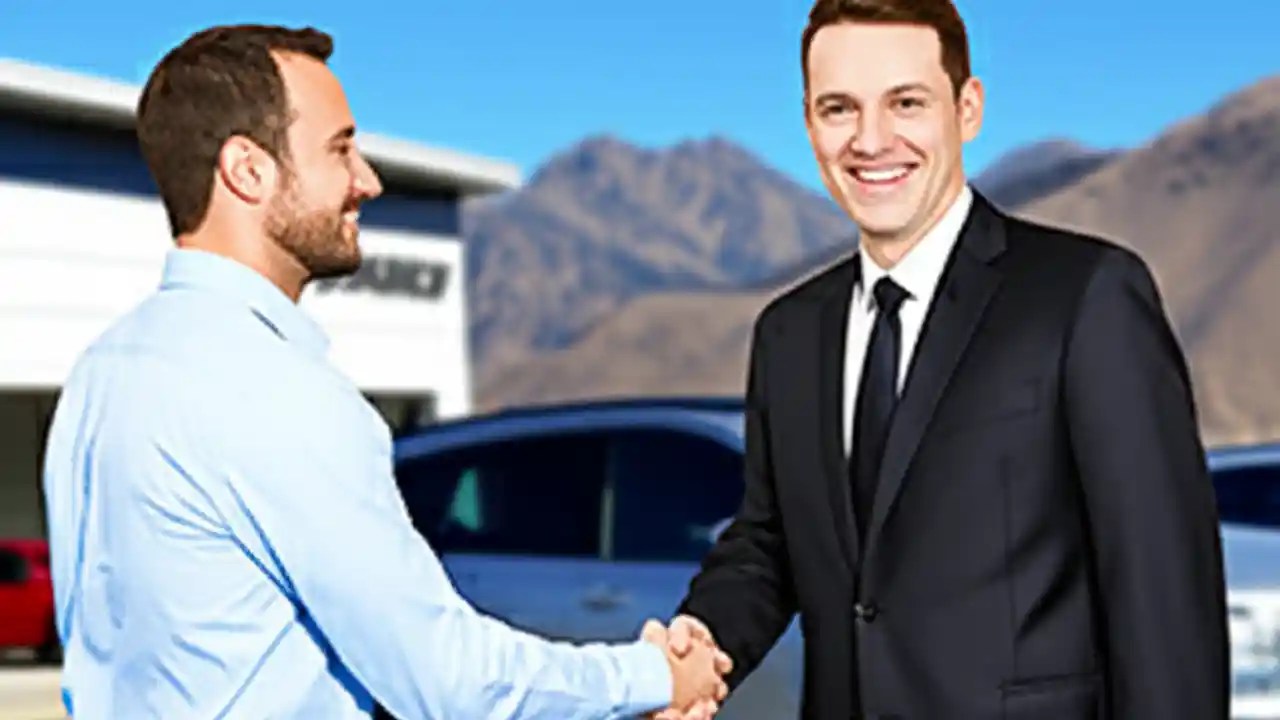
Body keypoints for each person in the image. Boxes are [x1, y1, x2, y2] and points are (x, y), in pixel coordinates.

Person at [40, 24, 729, 720]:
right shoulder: (275, 389)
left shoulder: (100, 377)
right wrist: (654, 679)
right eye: (340, 148)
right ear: (247, 169)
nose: (366, 180)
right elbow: (447, 680)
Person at [656, 0, 1231, 718]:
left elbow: (1161, 594)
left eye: (905, 102)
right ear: (808, 123)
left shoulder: (1085, 298)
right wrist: (702, 642)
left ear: (967, 109)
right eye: (839, 109)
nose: (871, 139)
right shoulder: (788, 334)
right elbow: (768, 546)